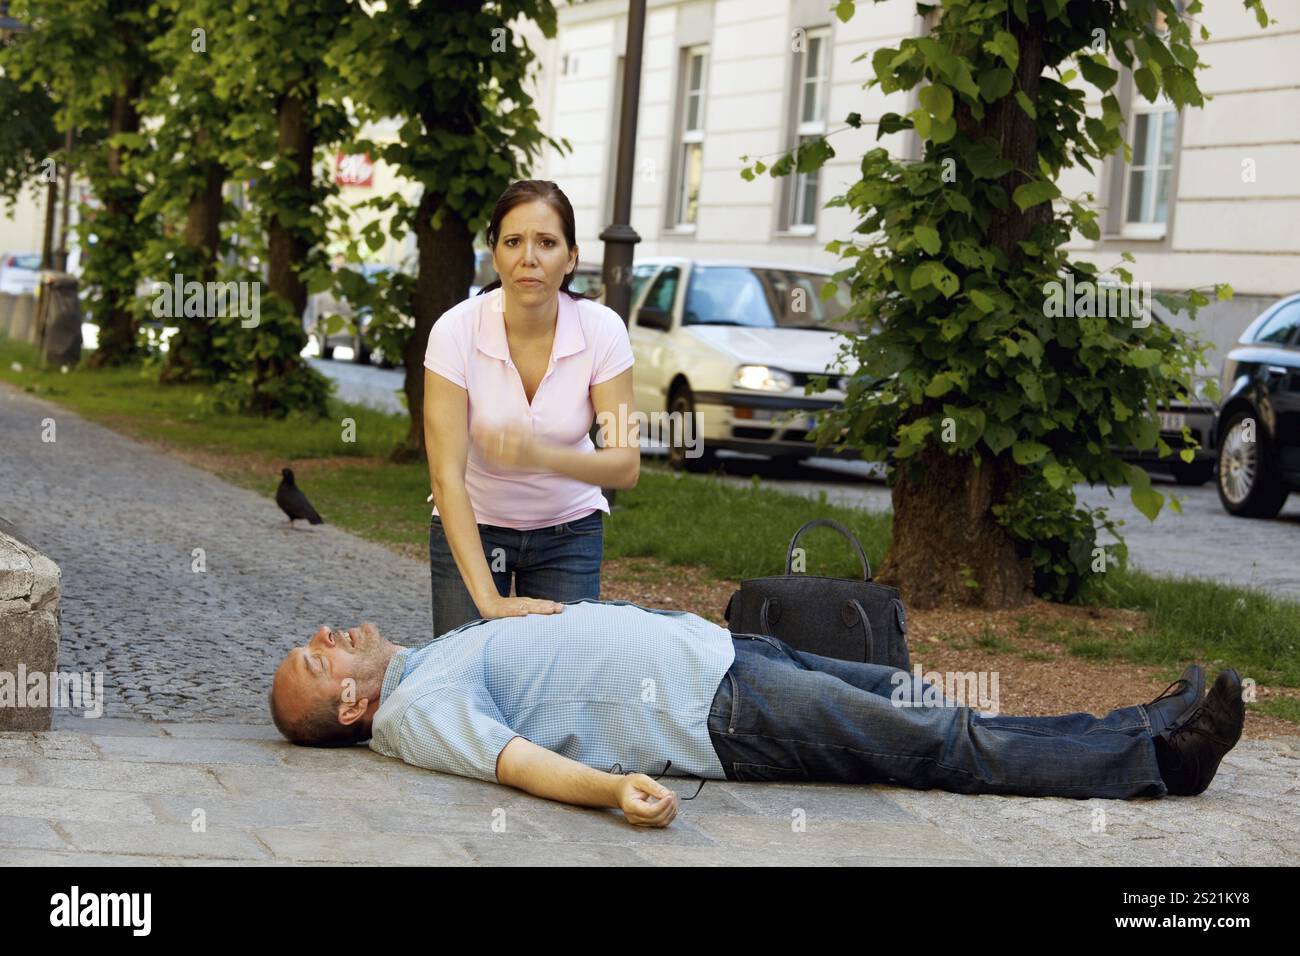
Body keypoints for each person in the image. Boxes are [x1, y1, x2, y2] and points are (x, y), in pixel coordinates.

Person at [268, 600, 1247, 829]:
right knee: (937, 741)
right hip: (721, 708)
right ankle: (1157, 757)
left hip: (724, 653)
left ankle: (1140, 727)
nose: (328, 633)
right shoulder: (417, 708)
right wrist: (615, 792)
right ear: (351, 704)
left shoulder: (426, 656)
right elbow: (514, 760)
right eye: (321, 658)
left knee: (921, 702)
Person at [422, 179, 638, 637]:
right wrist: (489, 601)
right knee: (464, 678)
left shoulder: (603, 331)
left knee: (559, 687)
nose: (529, 258)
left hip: (569, 534)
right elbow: (446, 476)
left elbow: (625, 466)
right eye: (514, 241)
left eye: (547, 243)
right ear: (495, 252)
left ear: (571, 257)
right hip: (473, 526)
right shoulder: (454, 332)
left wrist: (537, 453)